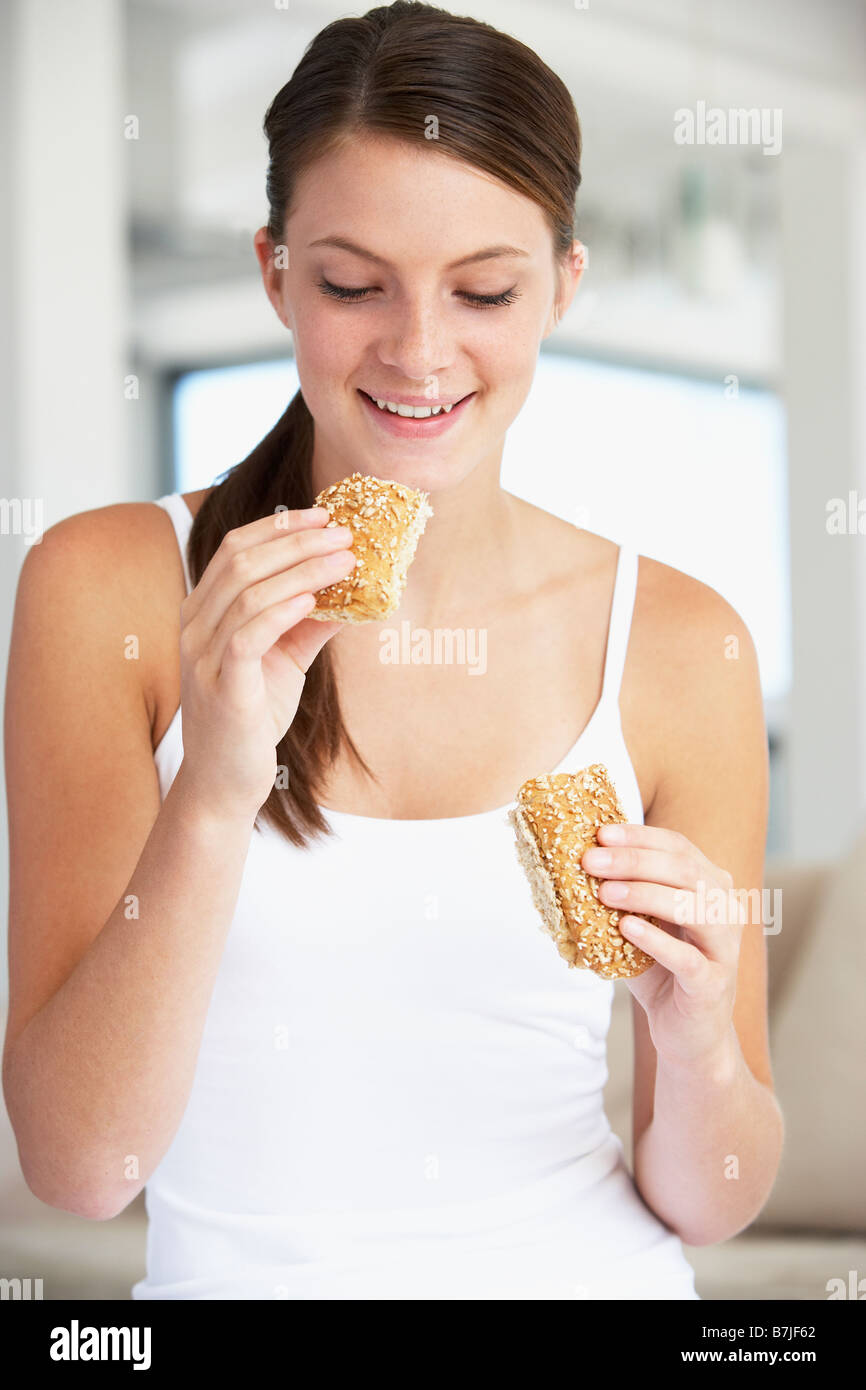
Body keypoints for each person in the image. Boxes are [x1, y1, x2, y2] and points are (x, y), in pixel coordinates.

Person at [3, 1, 783, 1300]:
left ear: (562, 286)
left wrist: (695, 1034)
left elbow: (707, 1202)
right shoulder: (107, 586)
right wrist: (212, 790)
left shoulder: (678, 641)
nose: (418, 352)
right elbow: (84, 1167)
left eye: (483, 289)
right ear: (273, 273)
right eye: (351, 284)